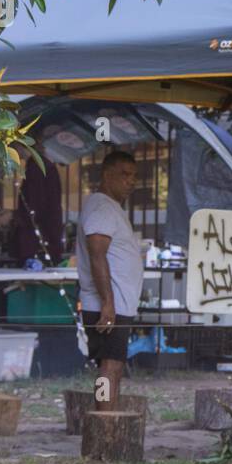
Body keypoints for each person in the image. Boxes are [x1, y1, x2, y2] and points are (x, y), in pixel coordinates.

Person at [75, 151, 141, 411]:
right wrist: (108, 303)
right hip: (108, 306)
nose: (131, 181)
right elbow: (97, 255)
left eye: (134, 176)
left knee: (113, 366)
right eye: (125, 174)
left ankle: (107, 416)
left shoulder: (110, 208)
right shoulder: (102, 207)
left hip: (117, 305)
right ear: (106, 175)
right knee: (109, 367)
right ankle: (103, 420)